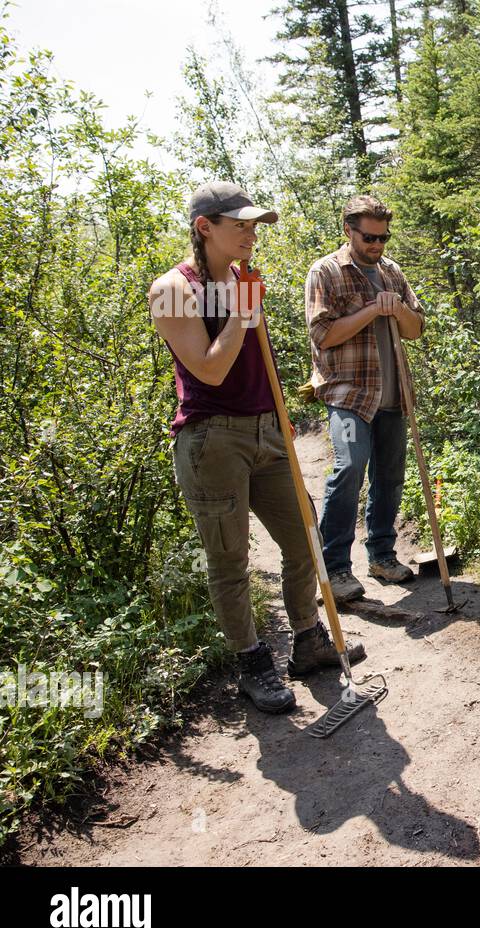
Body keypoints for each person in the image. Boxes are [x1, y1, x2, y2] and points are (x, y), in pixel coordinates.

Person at [148, 182, 364, 715]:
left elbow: (256, 361)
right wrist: (244, 312)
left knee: (304, 537)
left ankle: (309, 640)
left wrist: (280, 416)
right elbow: (211, 368)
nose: (250, 234)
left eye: (254, 225)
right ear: (205, 227)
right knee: (231, 559)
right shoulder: (174, 288)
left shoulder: (243, 280)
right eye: (239, 224)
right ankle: (251, 662)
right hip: (211, 438)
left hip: (267, 429)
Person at [305, 196, 426, 602]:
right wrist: (373, 311)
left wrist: (397, 312)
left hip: (392, 391)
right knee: (350, 466)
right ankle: (336, 568)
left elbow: (415, 328)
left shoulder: (391, 272)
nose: (377, 245)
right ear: (348, 230)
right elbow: (322, 335)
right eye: (369, 237)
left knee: (390, 477)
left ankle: (382, 556)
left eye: (383, 237)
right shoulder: (326, 271)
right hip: (348, 391)